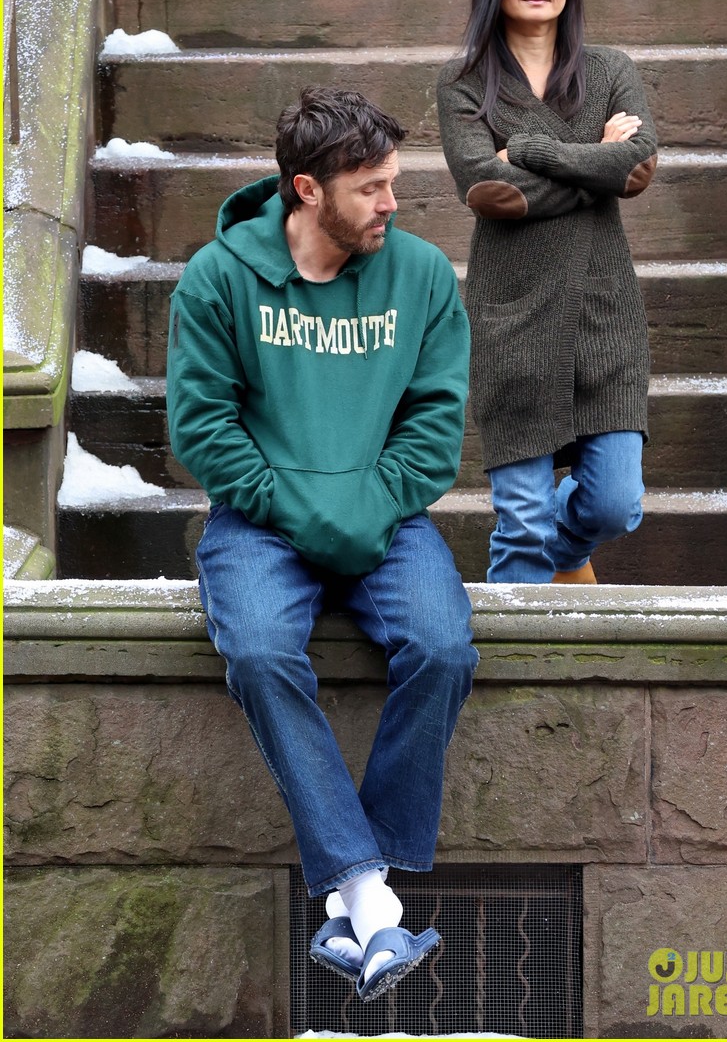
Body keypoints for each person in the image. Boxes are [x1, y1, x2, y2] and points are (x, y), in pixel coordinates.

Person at [166, 86, 477, 1002]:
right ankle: (368, 895)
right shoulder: (217, 279)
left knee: (442, 646)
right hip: (259, 523)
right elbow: (203, 429)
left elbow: (434, 422)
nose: (391, 203)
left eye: (393, 184)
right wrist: (297, 510)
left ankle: (357, 891)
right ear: (307, 189)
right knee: (259, 651)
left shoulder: (418, 275)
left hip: (385, 513)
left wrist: (368, 507)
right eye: (371, 187)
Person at [437, 0, 658, 585]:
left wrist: (529, 149)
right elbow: (488, 190)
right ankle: (513, 675)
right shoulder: (464, 82)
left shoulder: (608, 69)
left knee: (614, 505)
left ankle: (563, 561)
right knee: (523, 524)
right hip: (513, 320)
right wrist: (596, 163)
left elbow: (639, 164)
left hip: (603, 317)